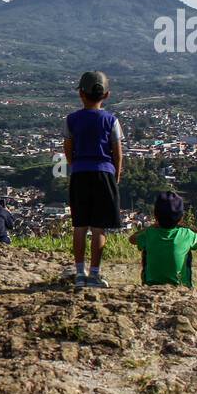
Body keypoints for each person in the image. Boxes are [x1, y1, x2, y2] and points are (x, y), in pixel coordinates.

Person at [64, 71, 123, 288]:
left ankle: (80, 272)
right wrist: (115, 177)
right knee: (99, 228)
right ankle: (95, 274)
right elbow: (117, 153)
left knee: (80, 226)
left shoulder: (71, 120)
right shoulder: (111, 121)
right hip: (104, 173)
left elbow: (68, 149)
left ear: (81, 93)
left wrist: (75, 166)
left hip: (80, 173)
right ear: (106, 95)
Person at [129, 191, 197, 287]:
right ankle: (185, 282)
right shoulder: (187, 234)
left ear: (155, 215)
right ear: (181, 217)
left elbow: (132, 239)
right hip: (181, 286)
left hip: (151, 285)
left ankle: (148, 280)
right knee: (187, 252)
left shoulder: (149, 233)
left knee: (145, 250)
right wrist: (186, 227)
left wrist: (152, 226)